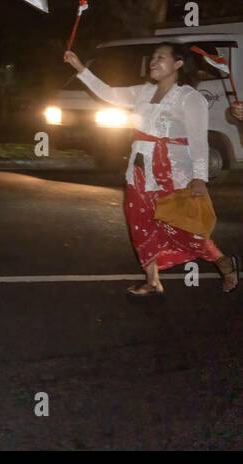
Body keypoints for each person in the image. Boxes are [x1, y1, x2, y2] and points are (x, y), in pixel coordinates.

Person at [65, 44, 238, 294]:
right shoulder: (143, 91)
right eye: (153, 58)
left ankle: (222, 261)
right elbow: (109, 93)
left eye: (161, 58)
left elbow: (199, 141)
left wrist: (200, 177)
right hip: (138, 170)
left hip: (173, 174)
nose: (153, 62)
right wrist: (80, 68)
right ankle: (152, 280)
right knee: (140, 223)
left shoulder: (191, 98)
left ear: (178, 64)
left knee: (180, 225)